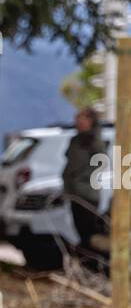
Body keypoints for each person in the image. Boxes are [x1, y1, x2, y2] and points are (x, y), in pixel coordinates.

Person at [62, 106, 107, 262]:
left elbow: (101, 162)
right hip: (74, 193)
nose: (77, 121)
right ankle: (86, 262)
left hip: (87, 194)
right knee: (80, 230)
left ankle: (93, 263)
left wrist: (81, 178)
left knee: (89, 232)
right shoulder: (76, 139)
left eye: (81, 117)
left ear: (89, 120)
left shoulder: (94, 140)